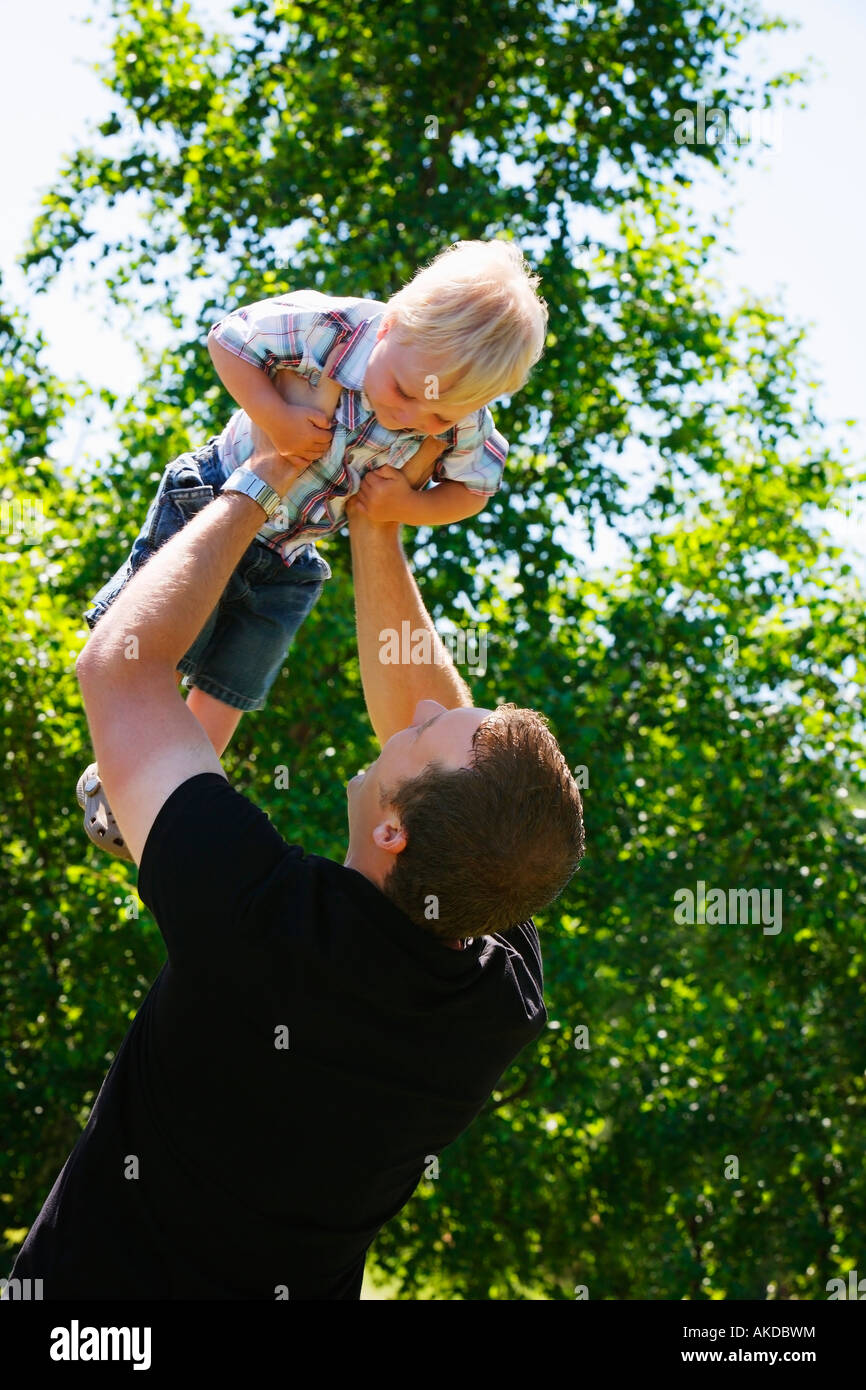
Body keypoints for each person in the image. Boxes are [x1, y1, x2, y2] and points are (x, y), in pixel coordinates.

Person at [9, 417, 585, 1300]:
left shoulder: (264, 928)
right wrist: (377, 520)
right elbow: (448, 780)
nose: (421, 715)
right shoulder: (490, 993)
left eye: (428, 734)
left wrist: (264, 472)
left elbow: (119, 670)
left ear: (394, 832)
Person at [77, 239, 548, 860]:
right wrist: (273, 414)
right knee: (148, 652)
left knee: (232, 683)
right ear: (395, 321)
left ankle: (160, 805)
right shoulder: (332, 328)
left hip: (291, 555)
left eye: (441, 417)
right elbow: (229, 339)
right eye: (408, 392)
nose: (415, 419)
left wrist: (404, 507)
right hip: (218, 494)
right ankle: (119, 763)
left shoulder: (456, 415)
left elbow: (472, 491)